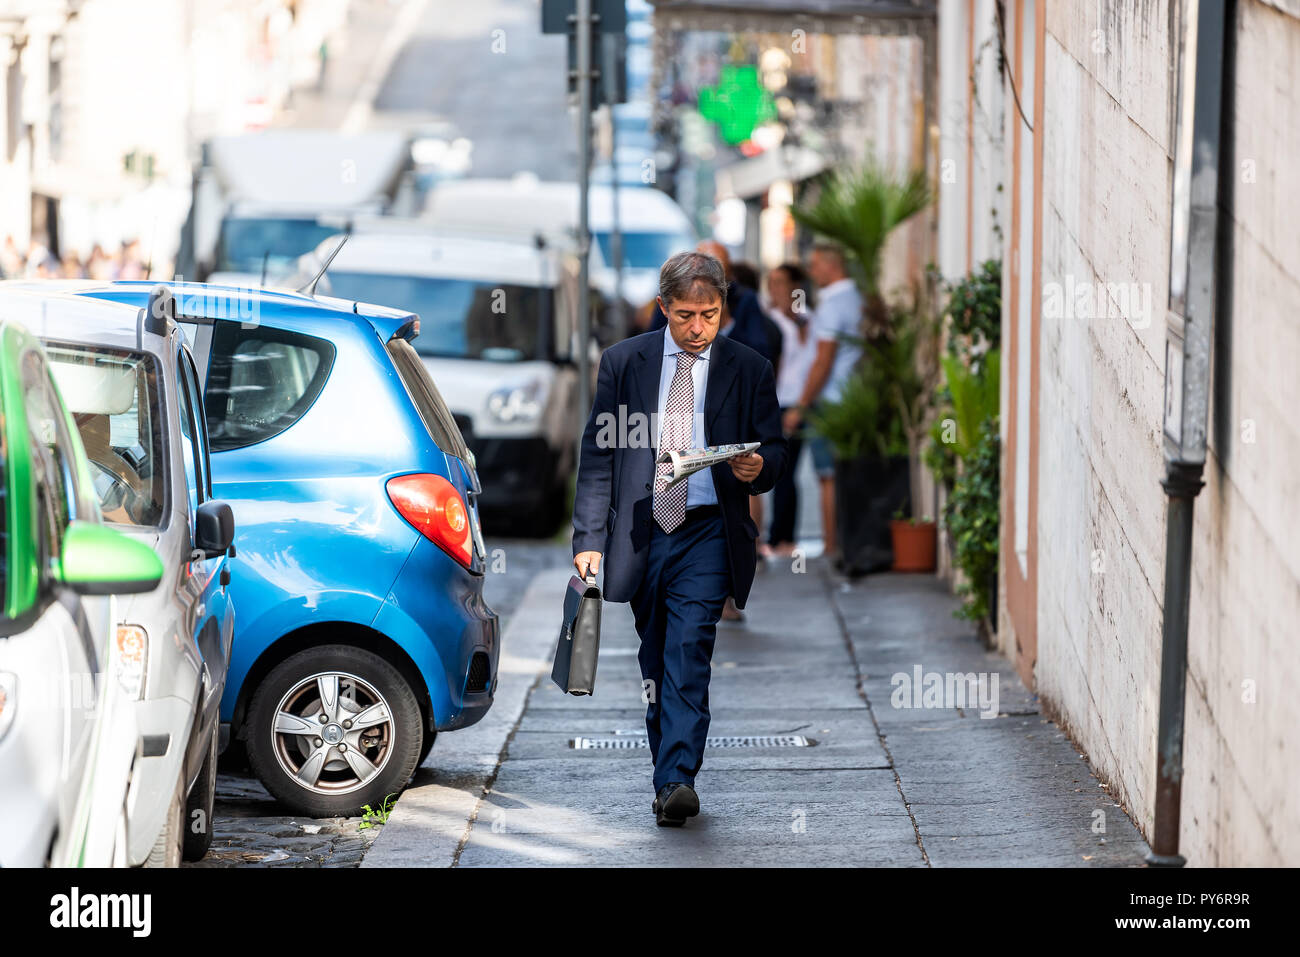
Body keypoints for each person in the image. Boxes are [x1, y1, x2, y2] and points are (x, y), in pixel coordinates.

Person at [572, 250, 786, 827]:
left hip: (710, 532)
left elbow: (776, 450)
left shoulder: (748, 367)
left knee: (690, 648)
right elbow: (599, 455)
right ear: (663, 306)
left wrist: (757, 467)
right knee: (655, 656)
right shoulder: (624, 363)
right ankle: (666, 769)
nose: (698, 328)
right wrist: (589, 536)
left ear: (723, 309)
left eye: (710, 315)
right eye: (686, 315)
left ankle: (677, 779)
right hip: (643, 531)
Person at [782, 243, 863, 561]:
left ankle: (832, 545)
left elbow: (823, 361)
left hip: (830, 401)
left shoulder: (831, 305)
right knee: (843, 472)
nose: (812, 273)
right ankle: (843, 541)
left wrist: (801, 404)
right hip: (854, 398)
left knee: (828, 475)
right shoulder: (857, 300)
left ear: (832, 265)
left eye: (815, 265)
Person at [764, 262, 818, 555]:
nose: (776, 289)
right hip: (776, 403)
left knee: (791, 471)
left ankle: (784, 538)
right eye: (772, 282)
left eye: (781, 282)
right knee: (777, 471)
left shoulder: (809, 318)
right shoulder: (768, 320)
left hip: (801, 403)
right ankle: (776, 537)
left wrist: (801, 406)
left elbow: (814, 361)